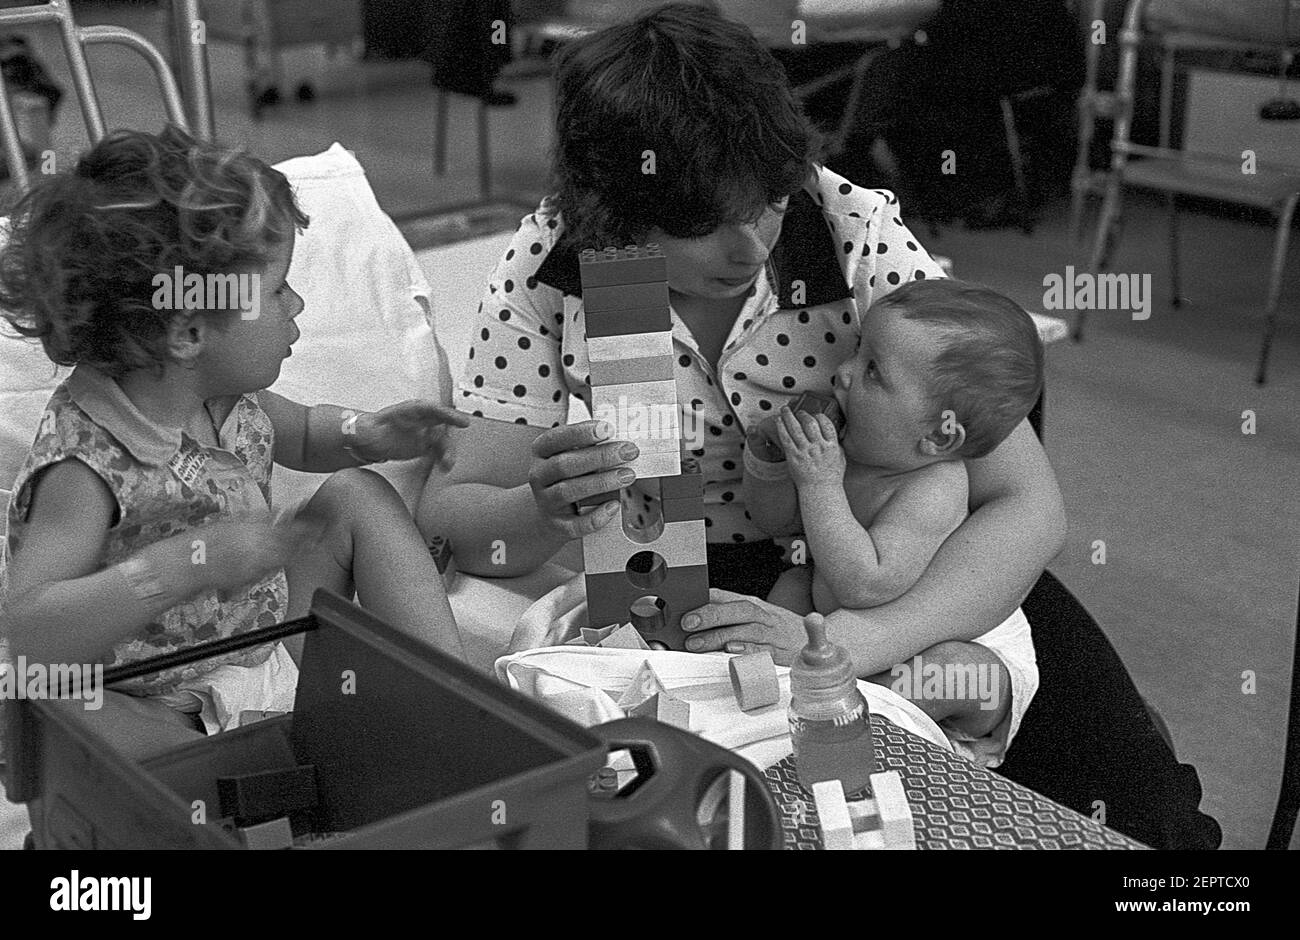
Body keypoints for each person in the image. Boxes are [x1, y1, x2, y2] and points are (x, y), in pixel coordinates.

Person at [419, 3, 1220, 848]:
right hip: (683, 579)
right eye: (703, 224)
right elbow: (458, 516)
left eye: (768, 200)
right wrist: (537, 508)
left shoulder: (848, 230)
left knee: (1153, 821)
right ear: (613, 214)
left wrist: (854, 640)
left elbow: (1027, 506)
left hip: (895, 564)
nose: (752, 244)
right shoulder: (556, 266)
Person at [0, 126, 467, 755]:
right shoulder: (85, 465)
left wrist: (369, 433)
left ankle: (457, 702)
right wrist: (180, 566)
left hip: (261, 639)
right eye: (277, 290)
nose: (297, 303)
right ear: (189, 333)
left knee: (358, 497)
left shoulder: (224, 399)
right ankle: (213, 765)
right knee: (48, 699)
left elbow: (303, 433)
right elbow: (32, 632)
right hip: (148, 696)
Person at [748, 278, 1042, 765]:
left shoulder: (932, 487)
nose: (841, 373)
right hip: (849, 620)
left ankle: (861, 722)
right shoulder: (854, 449)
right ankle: (786, 692)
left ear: (939, 436)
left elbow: (867, 584)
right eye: (858, 350)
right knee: (789, 588)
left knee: (941, 672)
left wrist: (820, 485)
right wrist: (772, 465)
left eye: (873, 373)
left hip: (963, 642)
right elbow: (775, 521)